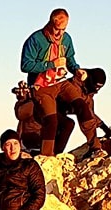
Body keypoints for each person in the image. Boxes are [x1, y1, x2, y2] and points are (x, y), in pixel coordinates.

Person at [19, 9, 100, 156]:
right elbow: (25, 65)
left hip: (61, 82)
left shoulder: (66, 39)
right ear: (50, 23)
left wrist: (77, 70)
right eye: (57, 29)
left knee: (82, 105)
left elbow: (70, 60)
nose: (60, 33)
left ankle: (95, 147)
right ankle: (47, 156)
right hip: (41, 86)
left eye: (63, 29)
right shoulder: (36, 39)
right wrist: (51, 64)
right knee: (52, 120)